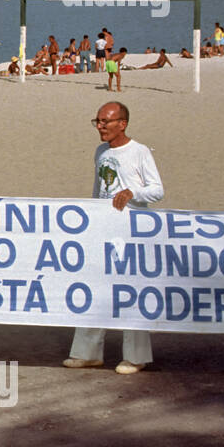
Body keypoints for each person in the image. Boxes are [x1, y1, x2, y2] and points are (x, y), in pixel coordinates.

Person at [65, 102, 163, 374]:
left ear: (122, 123)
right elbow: (98, 189)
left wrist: (133, 193)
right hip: (104, 229)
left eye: (105, 122)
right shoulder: (101, 152)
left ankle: (135, 356)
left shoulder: (140, 152)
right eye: (97, 121)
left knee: (131, 290)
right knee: (96, 286)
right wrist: (93, 215)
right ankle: (87, 353)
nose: (100, 126)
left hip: (131, 232)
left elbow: (157, 189)